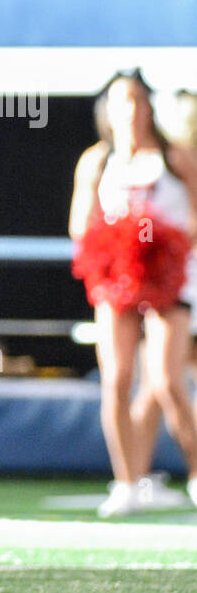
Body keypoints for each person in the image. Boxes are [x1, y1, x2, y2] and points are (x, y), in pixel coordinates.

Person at [69, 70, 197, 516]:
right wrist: (119, 242)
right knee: (117, 379)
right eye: (122, 101)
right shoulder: (97, 161)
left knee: (165, 381)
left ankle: (195, 473)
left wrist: (160, 244)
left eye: (139, 100)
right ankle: (126, 482)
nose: (131, 110)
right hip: (117, 283)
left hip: (171, 281)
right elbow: (79, 226)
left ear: (150, 107)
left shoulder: (175, 158)